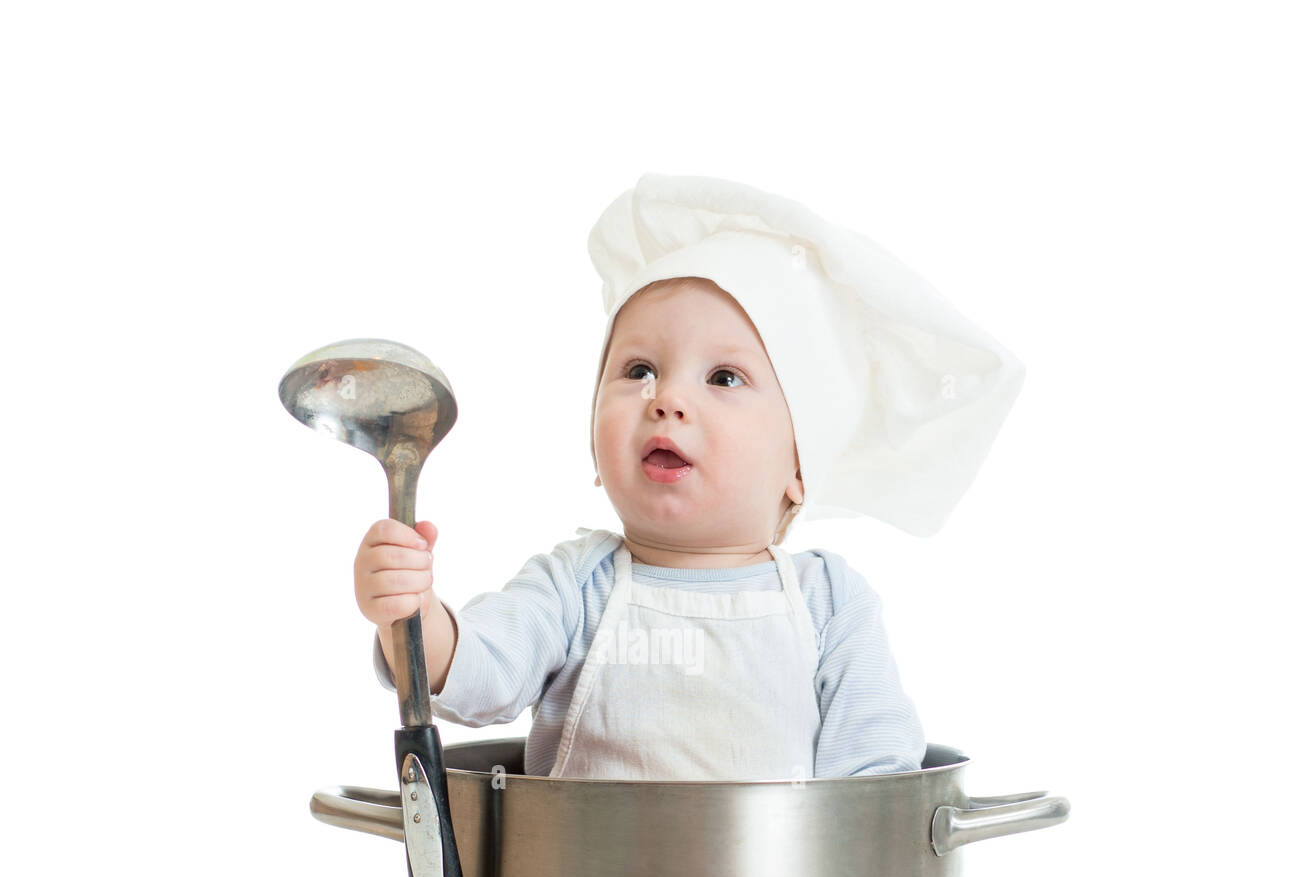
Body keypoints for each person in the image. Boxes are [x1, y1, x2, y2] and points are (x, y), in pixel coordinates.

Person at [356, 174, 1025, 780]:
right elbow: (479, 674)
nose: (666, 399)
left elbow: (876, 790)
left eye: (724, 378)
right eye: (638, 369)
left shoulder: (832, 607)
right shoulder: (572, 587)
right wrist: (411, 615)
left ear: (799, 466)